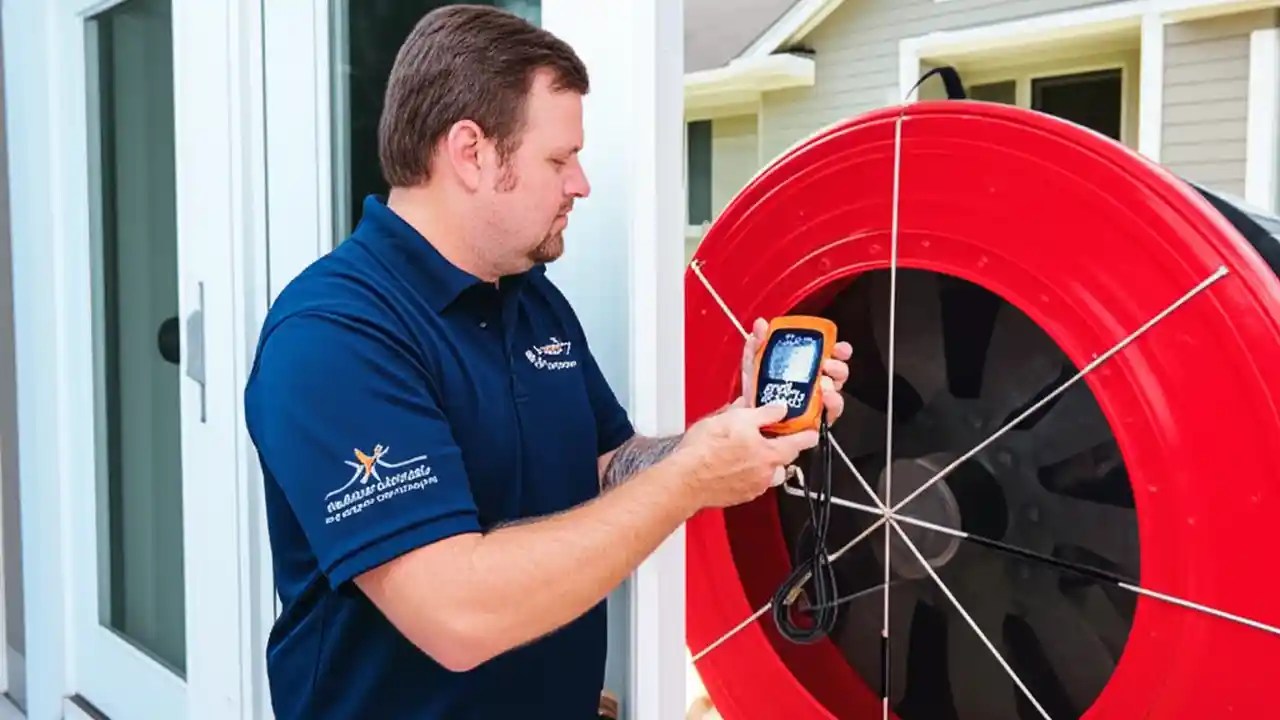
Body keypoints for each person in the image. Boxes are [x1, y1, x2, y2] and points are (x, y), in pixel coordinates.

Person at [242, 5, 854, 719]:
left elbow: (609, 464)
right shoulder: (334, 336)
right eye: (559, 159)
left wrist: (727, 430)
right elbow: (457, 614)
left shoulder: (530, 299)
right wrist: (692, 479)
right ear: (471, 153)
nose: (581, 183)